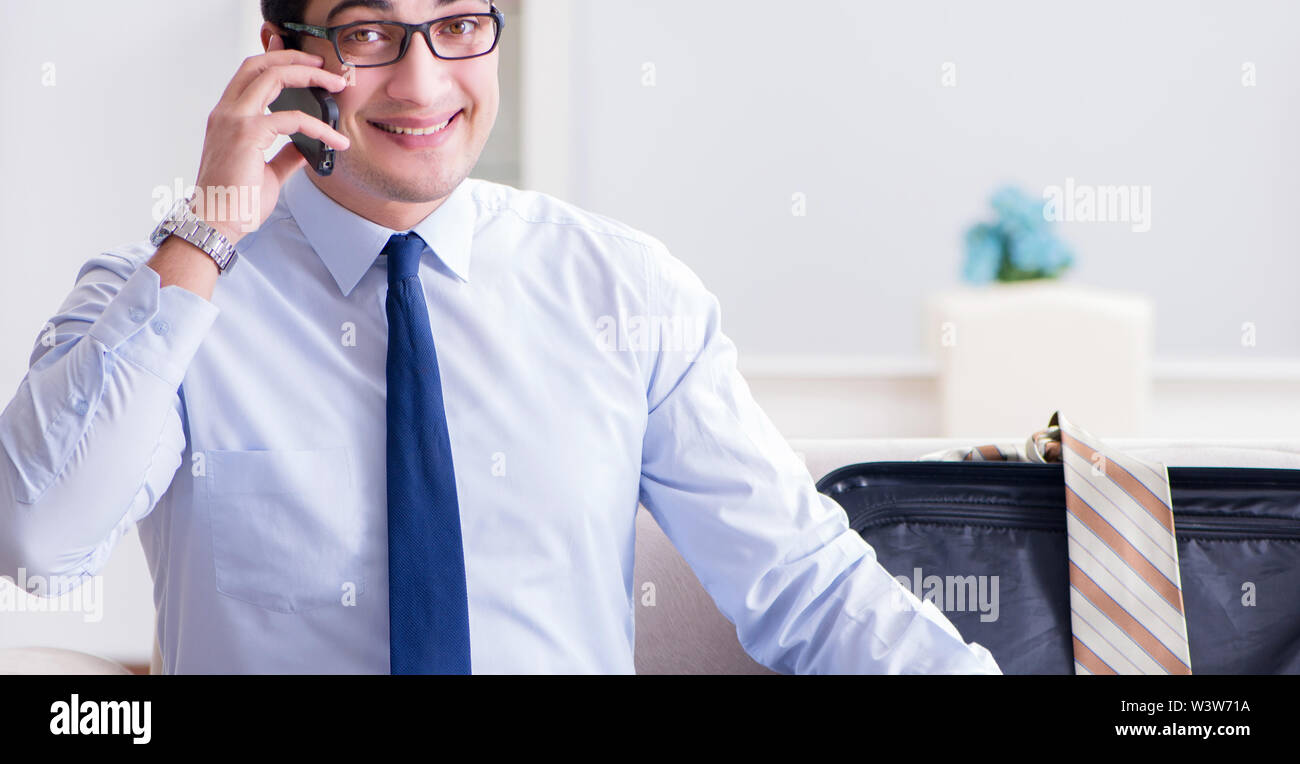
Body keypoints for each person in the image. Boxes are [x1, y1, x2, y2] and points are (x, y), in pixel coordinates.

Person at [0, 0, 1001, 674]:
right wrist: (209, 229)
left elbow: (801, 585)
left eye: (459, 26)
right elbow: (40, 541)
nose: (423, 85)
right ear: (283, 53)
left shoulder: (620, 289)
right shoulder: (166, 295)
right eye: (369, 36)